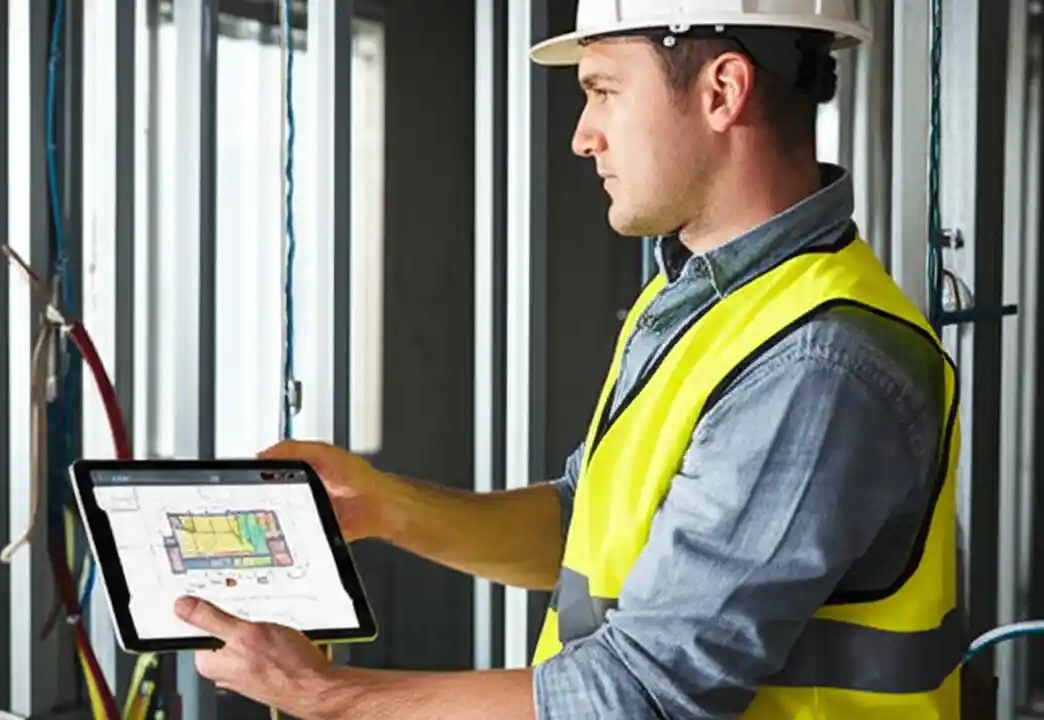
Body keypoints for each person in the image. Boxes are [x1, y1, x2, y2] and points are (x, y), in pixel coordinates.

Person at [171, 1, 964, 717]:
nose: (583, 134)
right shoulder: (700, 297)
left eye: (605, 90)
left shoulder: (817, 362)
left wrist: (326, 695)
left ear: (723, 91)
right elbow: (584, 524)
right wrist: (385, 506)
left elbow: (643, 695)